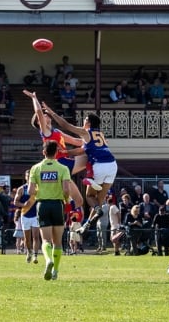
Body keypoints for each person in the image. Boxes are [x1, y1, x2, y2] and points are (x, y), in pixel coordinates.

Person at [17, 139, 84, 281]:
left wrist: (40, 190)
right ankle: (55, 271)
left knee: (45, 240)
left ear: (43, 152)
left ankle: (48, 260)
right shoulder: (63, 168)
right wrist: (66, 201)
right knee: (57, 241)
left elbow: (30, 191)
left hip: (42, 205)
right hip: (58, 204)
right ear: (57, 152)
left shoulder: (36, 168)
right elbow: (66, 190)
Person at [43, 106, 119, 216]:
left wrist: (52, 112)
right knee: (99, 199)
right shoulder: (100, 134)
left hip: (100, 165)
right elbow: (81, 150)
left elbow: (66, 125)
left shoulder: (86, 132)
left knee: (89, 196)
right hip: (112, 165)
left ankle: (90, 177)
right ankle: (90, 222)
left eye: (85, 119)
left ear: (88, 122)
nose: (83, 120)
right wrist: (67, 152)